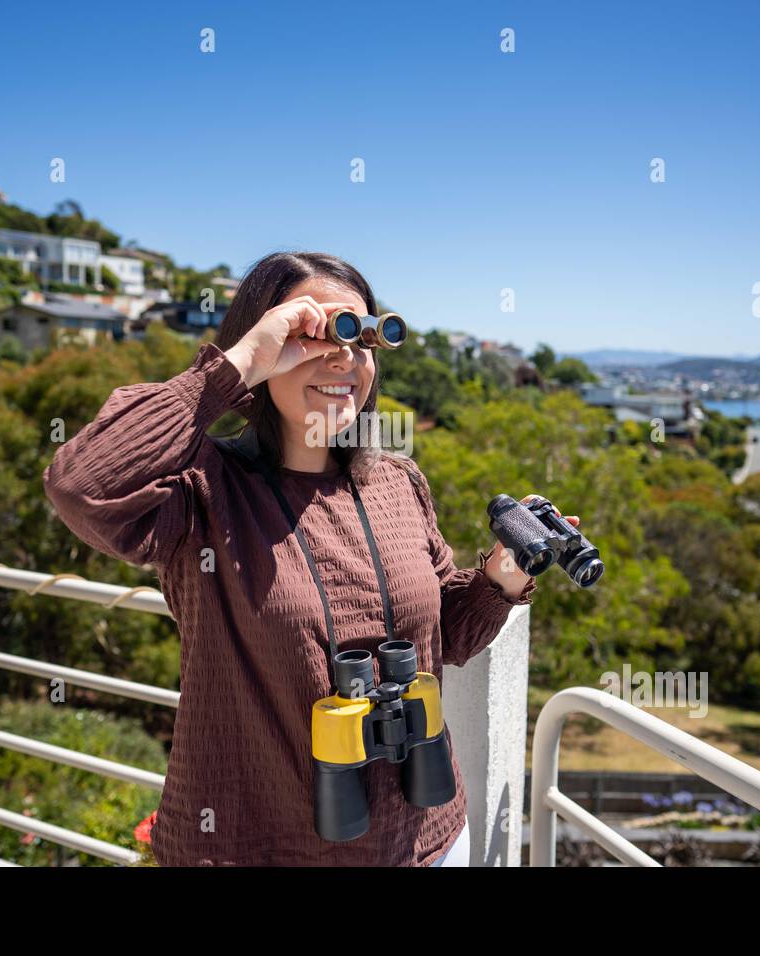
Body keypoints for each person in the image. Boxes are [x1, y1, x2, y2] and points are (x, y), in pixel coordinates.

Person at [43, 251, 578, 866]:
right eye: (313, 334)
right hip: (254, 849)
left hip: (423, 843)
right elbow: (82, 484)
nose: (343, 357)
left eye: (360, 336)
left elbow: (446, 637)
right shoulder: (201, 490)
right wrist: (238, 365)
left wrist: (506, 571)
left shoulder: (396, 482)